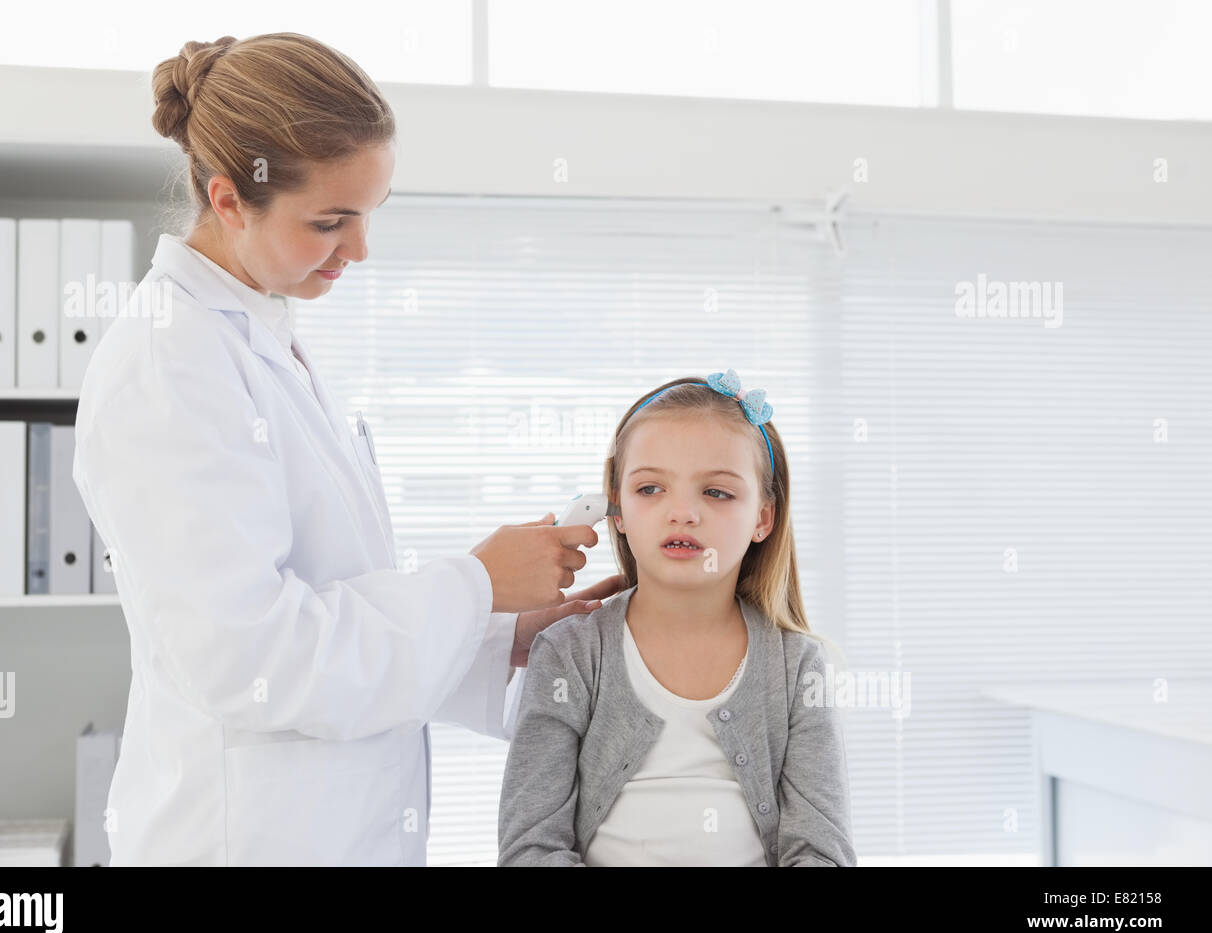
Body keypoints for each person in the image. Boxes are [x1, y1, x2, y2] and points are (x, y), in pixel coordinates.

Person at [72, 33, 622, 866]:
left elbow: (333, 603)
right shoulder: (169, 365)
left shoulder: (262, 333)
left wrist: (496, 635)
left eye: (370, 214)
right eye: (329, 222)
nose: (358, 250)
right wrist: (475, 584)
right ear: (229, 200)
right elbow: (253, 658)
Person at [498, 370, 856, 865]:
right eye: (650, 489)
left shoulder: (797, 665)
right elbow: (530, 849)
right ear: (616, 509)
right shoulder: (569, 654)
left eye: (717, 492)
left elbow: (822, 850)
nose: (683, 512)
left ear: (763, 518)